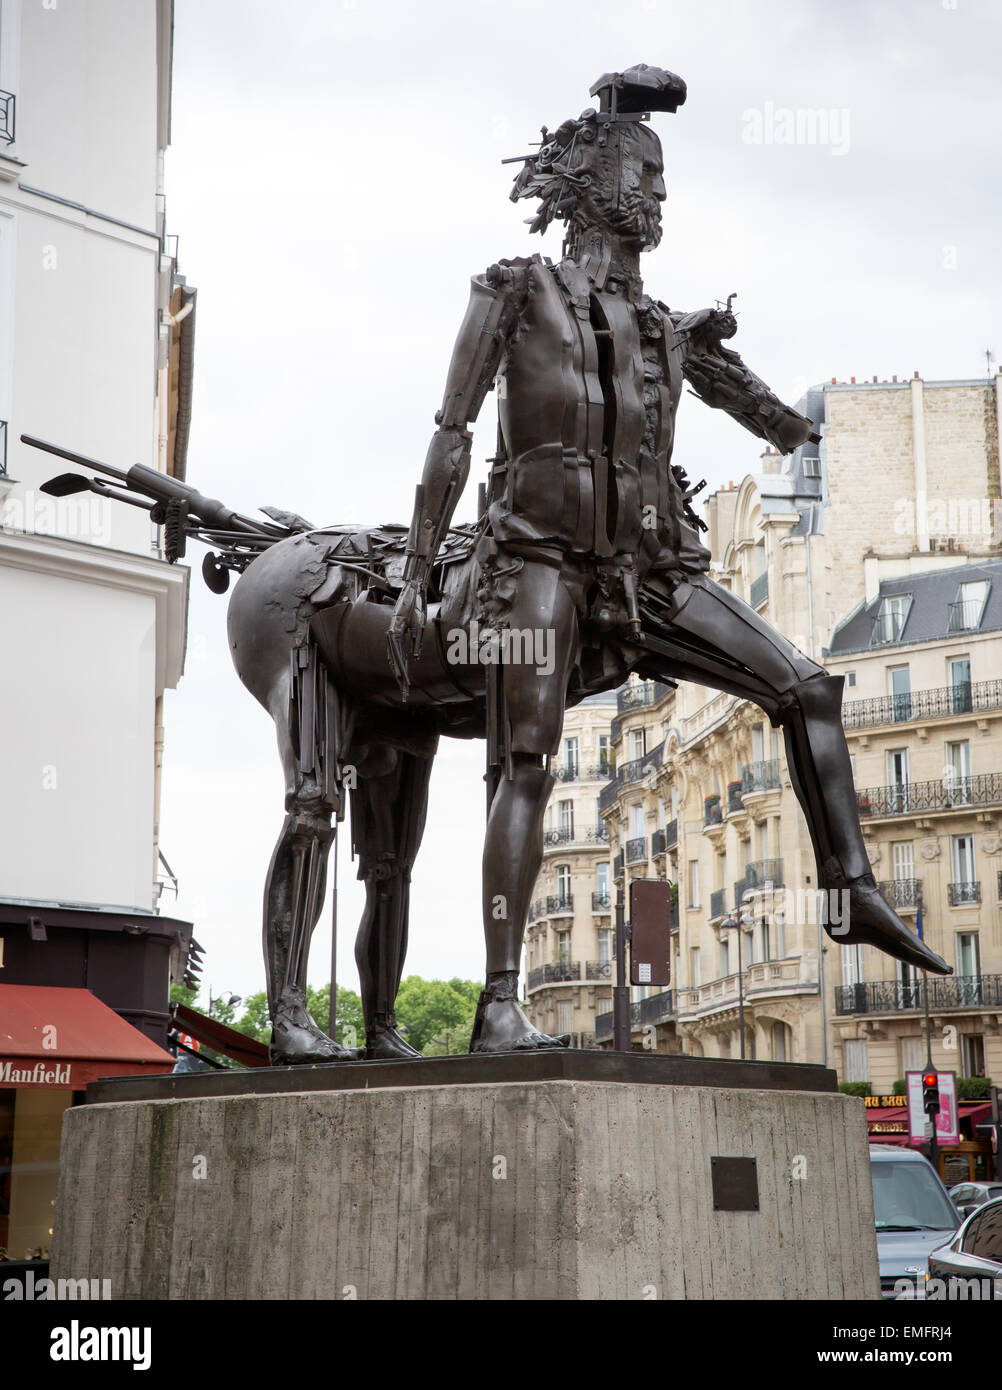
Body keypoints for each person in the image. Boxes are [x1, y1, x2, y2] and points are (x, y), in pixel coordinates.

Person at [388, 64, 948, 1052]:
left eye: (663, 181)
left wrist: (794, 423)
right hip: (536, 560)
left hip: (650, 571)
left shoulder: (665, 326)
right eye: (641, 174)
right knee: (527, 762)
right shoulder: (516, 290)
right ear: (589, 183)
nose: (658, 196)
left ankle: (852, 890)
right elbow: (451, 431)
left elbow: (776, 422)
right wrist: (418, 567)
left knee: (807, 685)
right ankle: (499, 1002)